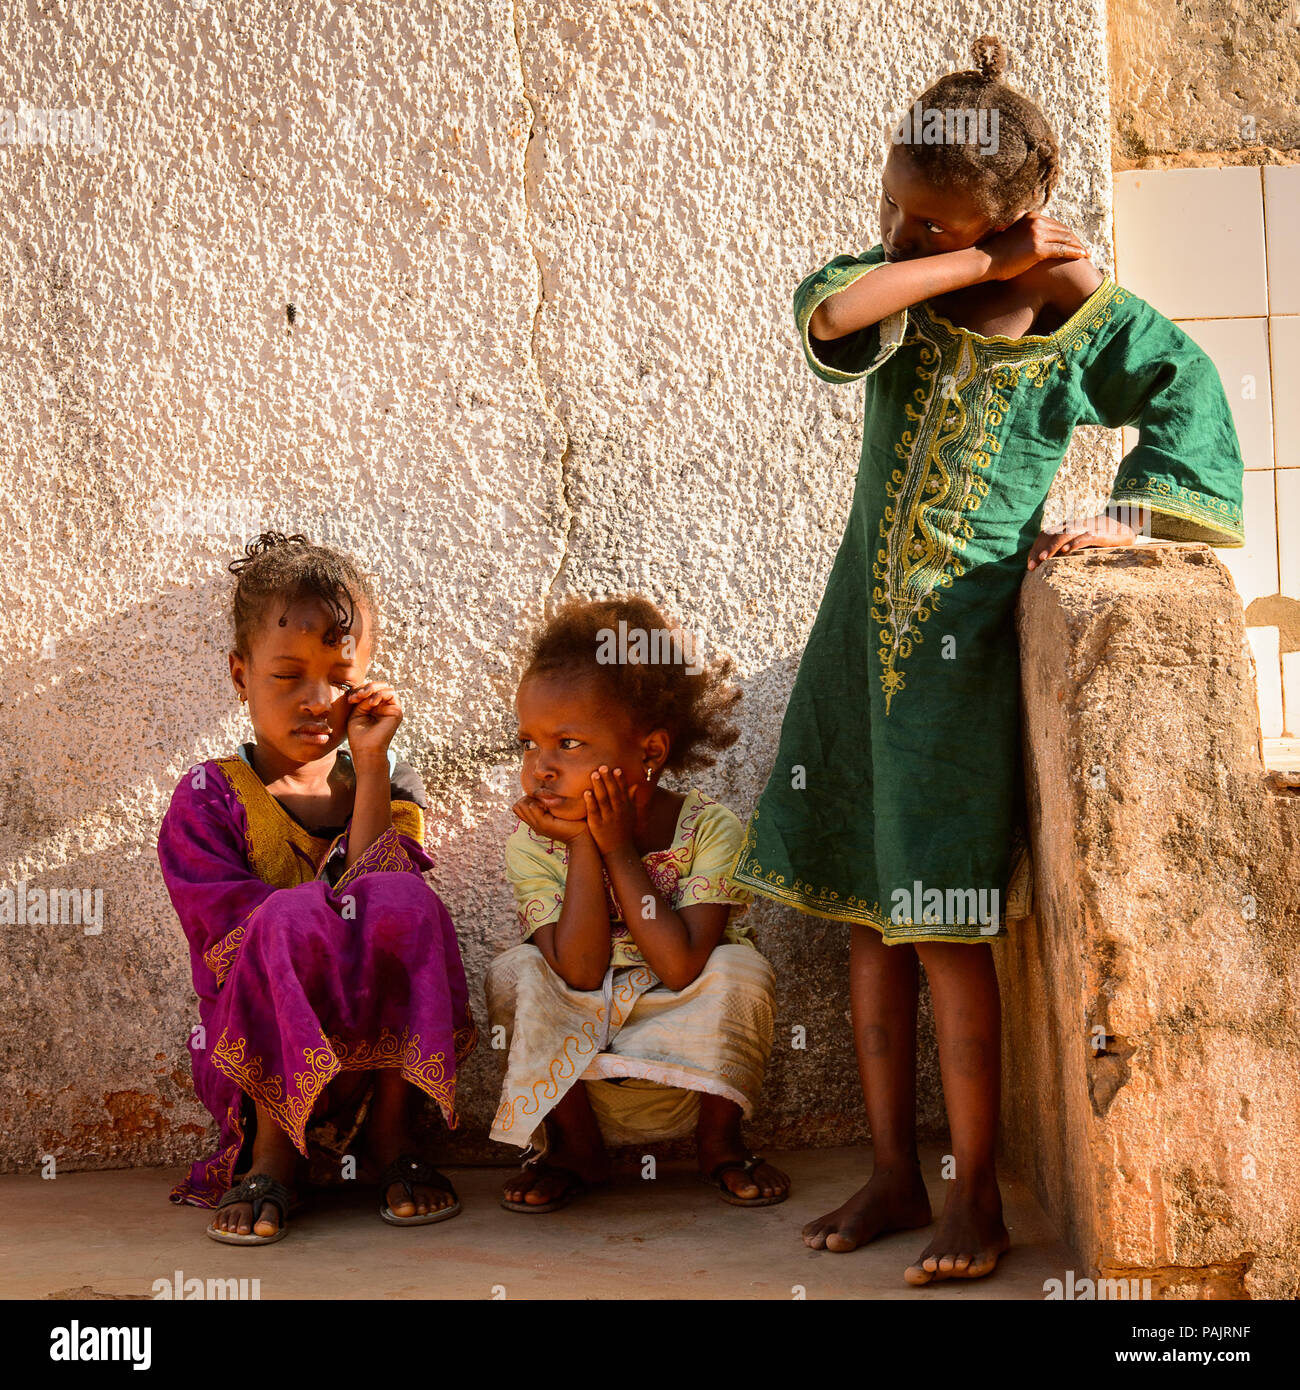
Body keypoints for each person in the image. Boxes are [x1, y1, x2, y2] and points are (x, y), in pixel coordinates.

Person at [727, 34, 1244, 1284]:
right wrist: (968, 256)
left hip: (956, 684)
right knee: (868, 919)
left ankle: (973, 1197)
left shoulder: (1073, 327)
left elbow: (1190, 400)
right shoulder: (900, 292)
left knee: (945, 927)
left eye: (937, 221)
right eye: (897, 211)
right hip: (857, 656)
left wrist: (1120, 520)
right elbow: (831, 309)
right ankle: (892, 1173)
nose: (902, 238)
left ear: (1025, 216)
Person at [157, 531, 476, 1243]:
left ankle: (389, 1139)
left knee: (405, 898)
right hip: (253, 1050)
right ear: (240, 675)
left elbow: (384, 903)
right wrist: (312, 914)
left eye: (338, 675)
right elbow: (225, 939)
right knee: (287, 917)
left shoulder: (385, 783)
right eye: (287, 675)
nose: (316, 698)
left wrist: (369, 766)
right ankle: (274, 1155)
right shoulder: (209, 796)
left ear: (365, 680)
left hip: (371, 1053)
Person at [486, 595, 789, 1211]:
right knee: (515, 973)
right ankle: (573, 1148)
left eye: (567, 743)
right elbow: (576, 971)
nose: (539, 768)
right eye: (528, 743)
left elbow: (682, 969)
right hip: (585, 1035)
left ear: (649, 752)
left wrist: (617, 848)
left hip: (681, 1024)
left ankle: (721, 1142)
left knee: (741, 969)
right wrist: (582, 848)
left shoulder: (711, 829)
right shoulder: (534, 843)